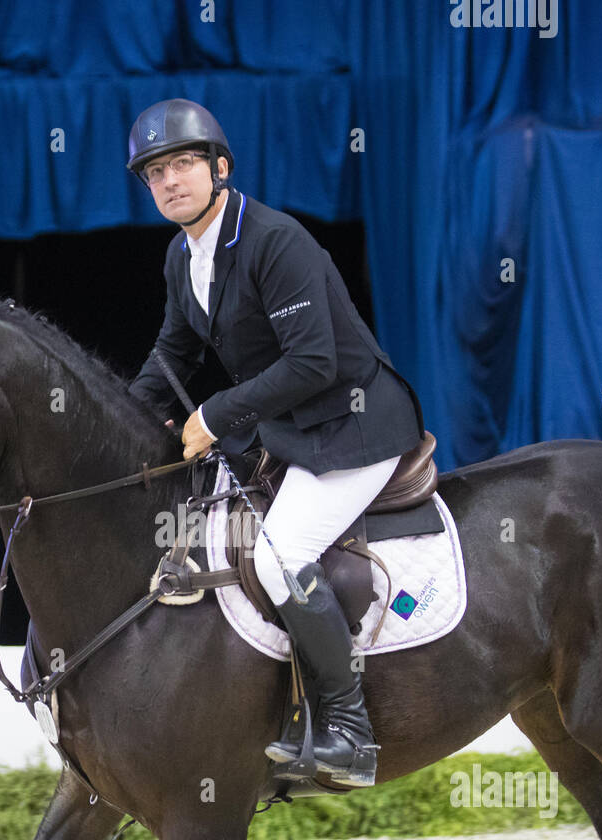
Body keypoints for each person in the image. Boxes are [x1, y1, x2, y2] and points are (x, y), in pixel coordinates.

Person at [126, 98, 425, 787]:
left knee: (280, 552)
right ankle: (294, 713)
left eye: (182, 164)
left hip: (356, 423)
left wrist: (214, 414)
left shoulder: (273, 239)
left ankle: (350, 730)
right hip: (292, 428)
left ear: (220, 167)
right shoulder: (183, 256)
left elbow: (314, 361)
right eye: (154, 173)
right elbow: (169, 352)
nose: (169, 181)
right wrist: (126, 428)